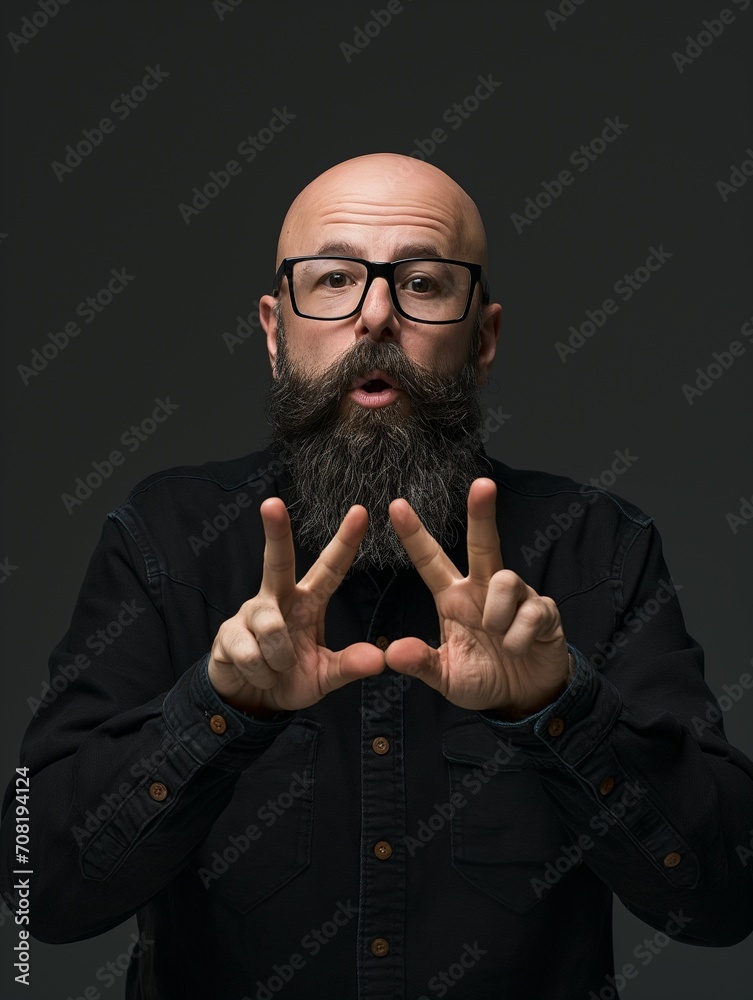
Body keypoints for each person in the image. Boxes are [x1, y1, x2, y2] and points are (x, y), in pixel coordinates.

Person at [2, 153, 752, 1000]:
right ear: (274, 329)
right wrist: (216, 712)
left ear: (485, 337)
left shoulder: (597, 549)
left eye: (424, 283)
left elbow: (722, 900)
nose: (375, 315)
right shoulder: (168, 540)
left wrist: (558, 710)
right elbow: (37, 892)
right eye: (332, 279)